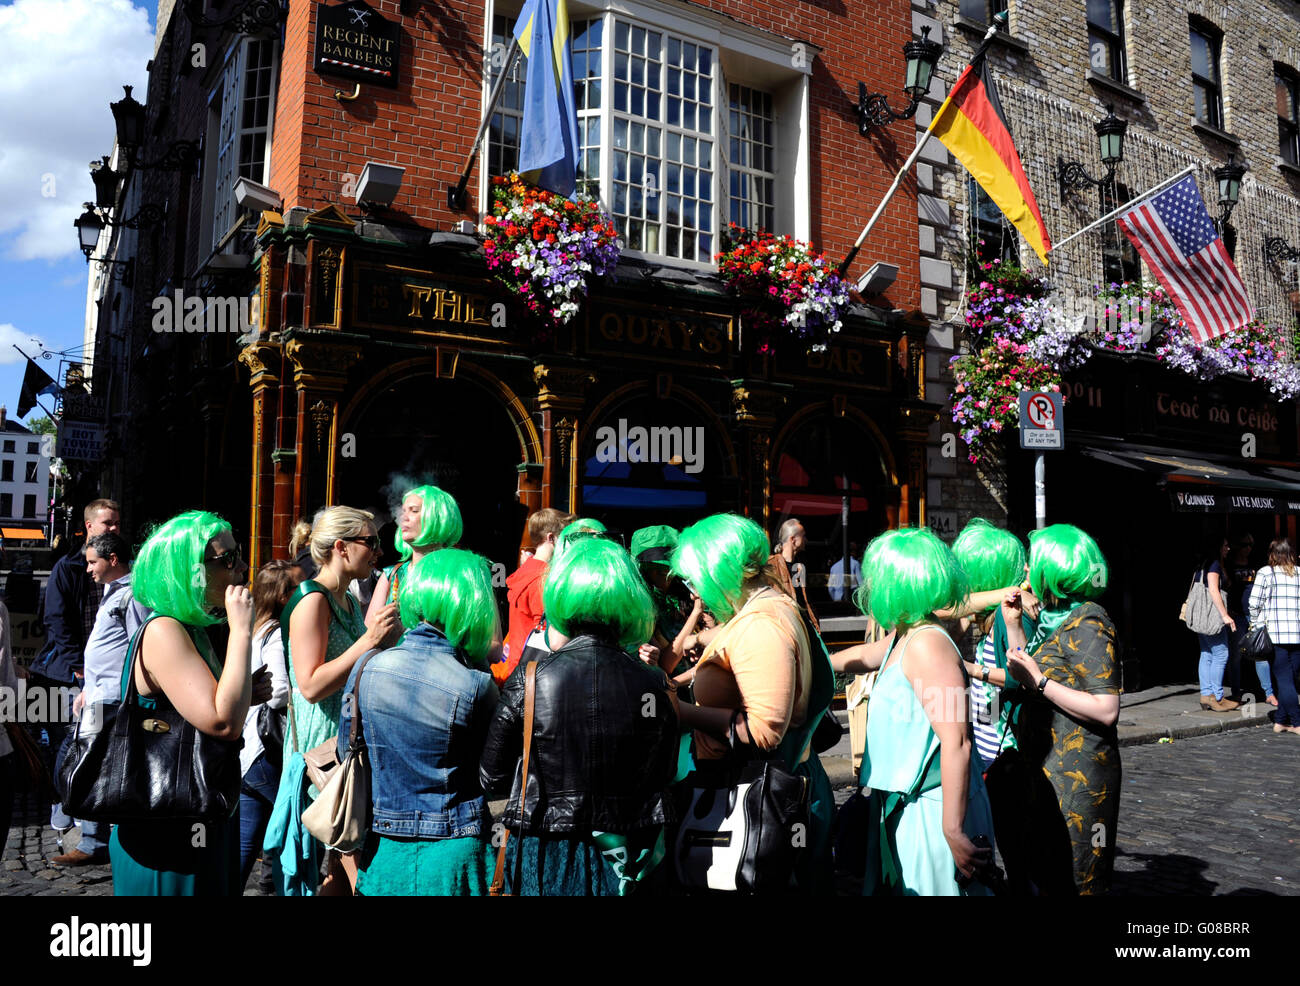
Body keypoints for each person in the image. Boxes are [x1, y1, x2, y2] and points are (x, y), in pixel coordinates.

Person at [481, 536, 678, 895]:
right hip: (621, 854)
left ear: (561, 593)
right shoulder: (651, 683)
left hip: (544, 850)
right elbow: (662, 774)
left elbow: (491, 778)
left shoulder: (529, 680)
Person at [671, 513, 835, 893]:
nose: (694, 590)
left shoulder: (764, 623)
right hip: (740, 789)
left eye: (695, 578)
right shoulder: (764, 606)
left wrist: (680, 712)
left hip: (750, 796)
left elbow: (764, 730)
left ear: (720, 571)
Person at [837, 527, 996, 896]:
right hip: (913, 805)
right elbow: (869, 656)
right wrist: (821, 663)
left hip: (933, 809)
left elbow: (957, 743)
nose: (871, 585)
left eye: (878, 576)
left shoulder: (927, 643)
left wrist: (952, 830)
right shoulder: (907, 633)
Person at [109, 510, 260, 896]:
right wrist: (243, 630)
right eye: (227, 559)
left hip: (199, 809)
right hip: (169, 824)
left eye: (237, 553)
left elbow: (209, 705)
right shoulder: (164, 630)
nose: (241, 566)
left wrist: (245, 692)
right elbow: (223, 723)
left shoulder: (192, 629)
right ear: (189, 571)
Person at [340, 548, 500, 895]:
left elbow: (346, 751)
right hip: (455, 856)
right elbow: (494, 775)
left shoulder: (366, 667)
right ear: (472, 605)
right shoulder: (477, 684)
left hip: (384, 852)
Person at [269, 506, 400, 895]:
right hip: (323, 755)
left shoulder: (342, 598)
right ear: (341, 547)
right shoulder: (313, 600)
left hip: (344, 744)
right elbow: (309, 684)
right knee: (351, 857)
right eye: (370, 542)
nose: (377, 552)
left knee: (338, 876)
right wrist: (369, 641)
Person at [1001, 524, 1122, 896]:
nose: (1024, 572)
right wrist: (1014, 626)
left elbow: (1106, 709)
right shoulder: (1054, 618)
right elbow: (1028, 675)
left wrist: (1040, 681)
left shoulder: (1089, 620)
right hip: (1049, 768)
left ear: (1052, 569)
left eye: (1030, 564)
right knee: (1050, 873)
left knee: (1081, 880)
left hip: (1081, 776)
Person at [54, 532, 150, 866]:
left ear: (112, 561)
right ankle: (94, 838)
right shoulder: (112, 592)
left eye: (93, 562)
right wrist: (86, 690)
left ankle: (97, 841)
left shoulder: (133, 594)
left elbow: (140, 647)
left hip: (111, 700)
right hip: (96, 696)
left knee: (94, 764)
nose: (88, 569)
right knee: (87, 762)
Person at [30, 499, 120, 852]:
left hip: (103, 675)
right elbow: (55, 621)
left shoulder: (122, 569)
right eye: (106, 523)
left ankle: (89, 822)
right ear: (88, 527)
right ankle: (63, 796)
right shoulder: (67, 568)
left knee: (94, 743)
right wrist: (78, 666)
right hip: (67, 674)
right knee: (68, 742)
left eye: (116, 523)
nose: (113, 528)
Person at [238, 560, 299, 891]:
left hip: (251, 748)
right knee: (290, 828)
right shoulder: (276, 634)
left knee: (249, 843)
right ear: (282, 595)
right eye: (296, 589)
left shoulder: (253, 627)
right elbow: (278, 693)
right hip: (267, 749)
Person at [366, 484, 462, 624]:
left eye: (414, 511)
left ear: (437, 517)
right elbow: (368, 635)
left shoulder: (461, 573)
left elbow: (490, 641)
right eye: (403, 511)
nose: (404, 517)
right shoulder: (392, 575)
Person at [503, 507, 574, 676]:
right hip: (534, 672)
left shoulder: (526, 569)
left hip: (516, 666)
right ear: (551, 538)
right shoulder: (543, 581)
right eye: (565, 538)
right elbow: (549, 635)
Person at [1248, 539, 1300, 735]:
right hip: (1296, 635)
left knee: (1286, 680)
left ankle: (1284, 721)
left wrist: (1255, 622)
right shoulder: (1299, 574)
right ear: (1291, 554)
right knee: (1290, 679)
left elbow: (1254, 603)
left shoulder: (1265, 573)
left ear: (1272, 555)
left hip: (1275, 635)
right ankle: (1293, 722)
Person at [1228, 533, 1276, 706]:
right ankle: (1235, 692)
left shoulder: (1255, 564)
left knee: (1260, 653)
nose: (1248, 548)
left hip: (1255, 614)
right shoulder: (1229, 564)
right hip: (1238, 614)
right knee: (1236, 656)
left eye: (1251, 545)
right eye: (1244, 545)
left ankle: (1268, 692)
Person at [1194, 536, 1238, 712]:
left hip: (1200, 616)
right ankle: (1217, 697)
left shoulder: (1201, 564)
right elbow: (1213, 590)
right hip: (1211, 617)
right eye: (1225, 545)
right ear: (1218, 547)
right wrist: (1225, 615)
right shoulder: (1213, 565)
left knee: (1206, 653)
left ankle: (1206, 695)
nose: (1228, 548)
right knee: (1221, 653)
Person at [769, 517, 819, 631]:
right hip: (783, 627)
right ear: (793, 539)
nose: (806, 540)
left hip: (802, 626)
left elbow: (806, 600)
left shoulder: (801, 566)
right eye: (803, 535)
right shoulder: (771, 566)